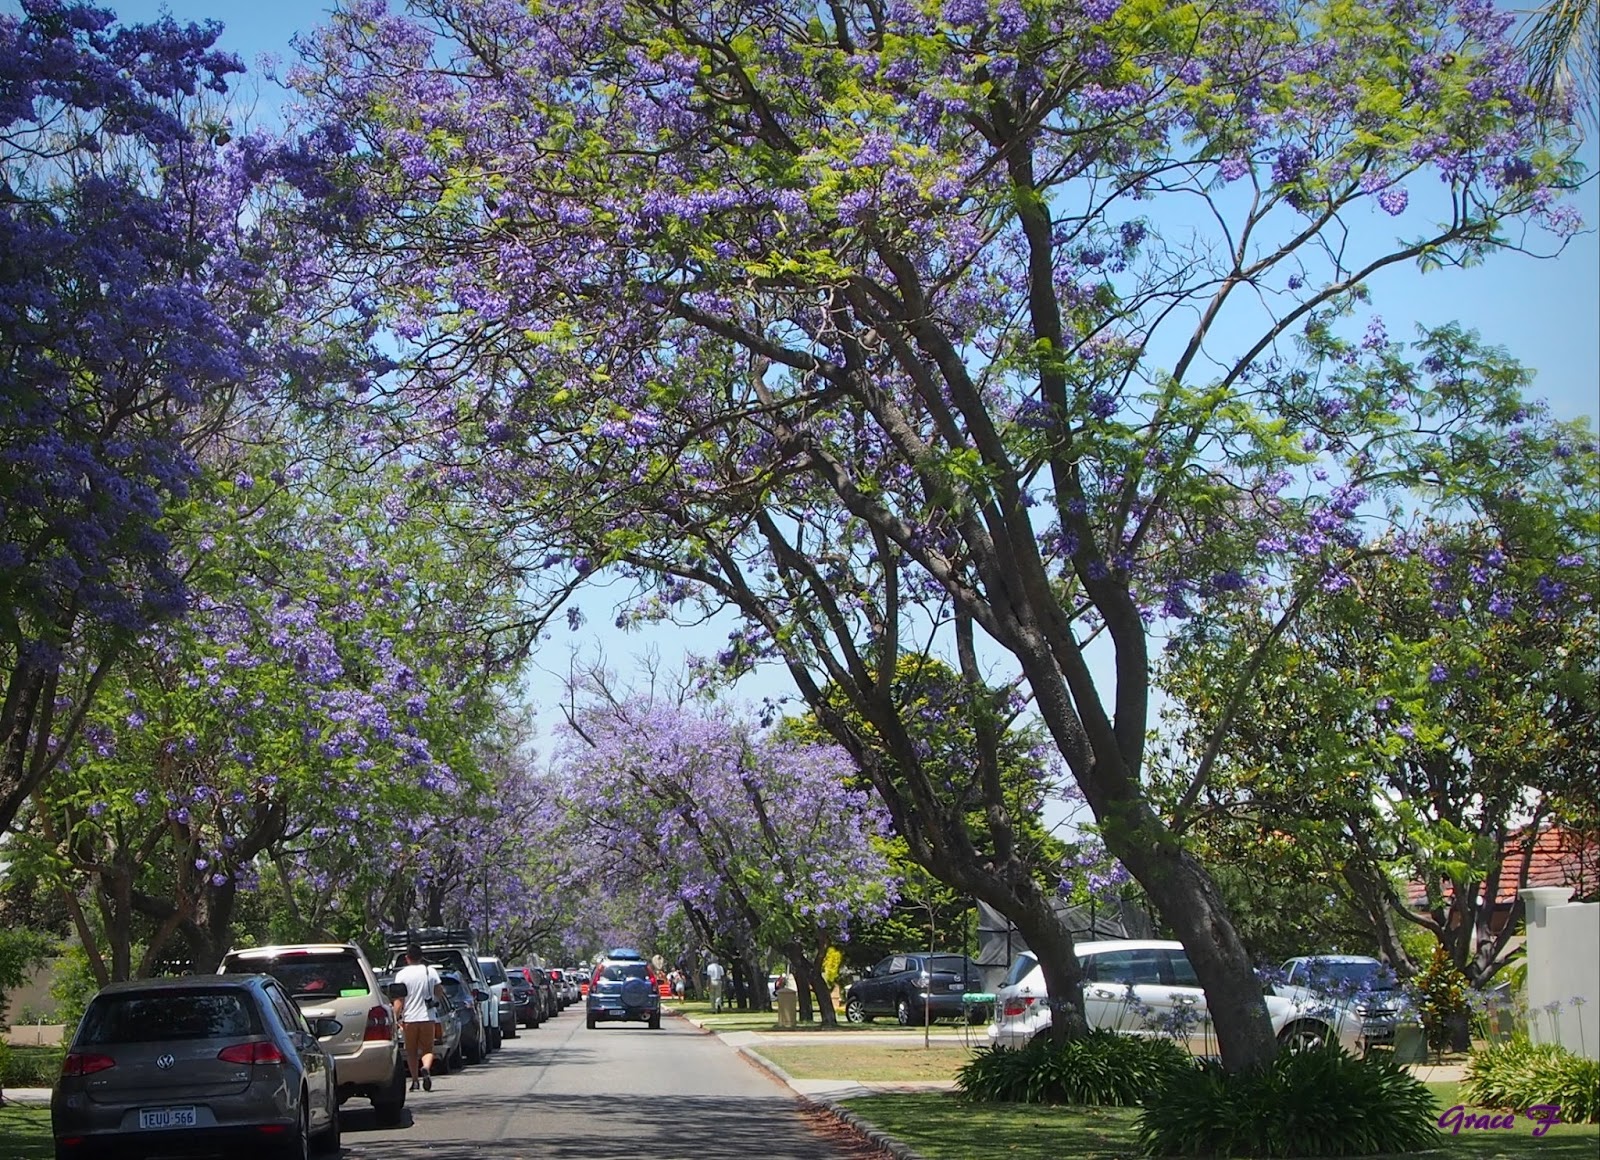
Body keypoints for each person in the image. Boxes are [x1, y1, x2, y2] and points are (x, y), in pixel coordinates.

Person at [392, 942, 446, 1092]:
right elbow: (439, 992)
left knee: (411, 1051)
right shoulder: (430, 972)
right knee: (428, 1049)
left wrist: (395, 1018)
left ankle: (415, 1081)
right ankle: (426, 1068)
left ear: (407, 958)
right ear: (421, 957)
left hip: (409, 1018)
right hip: (427, 1017)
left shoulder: (401, 975)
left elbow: (399, 1000)